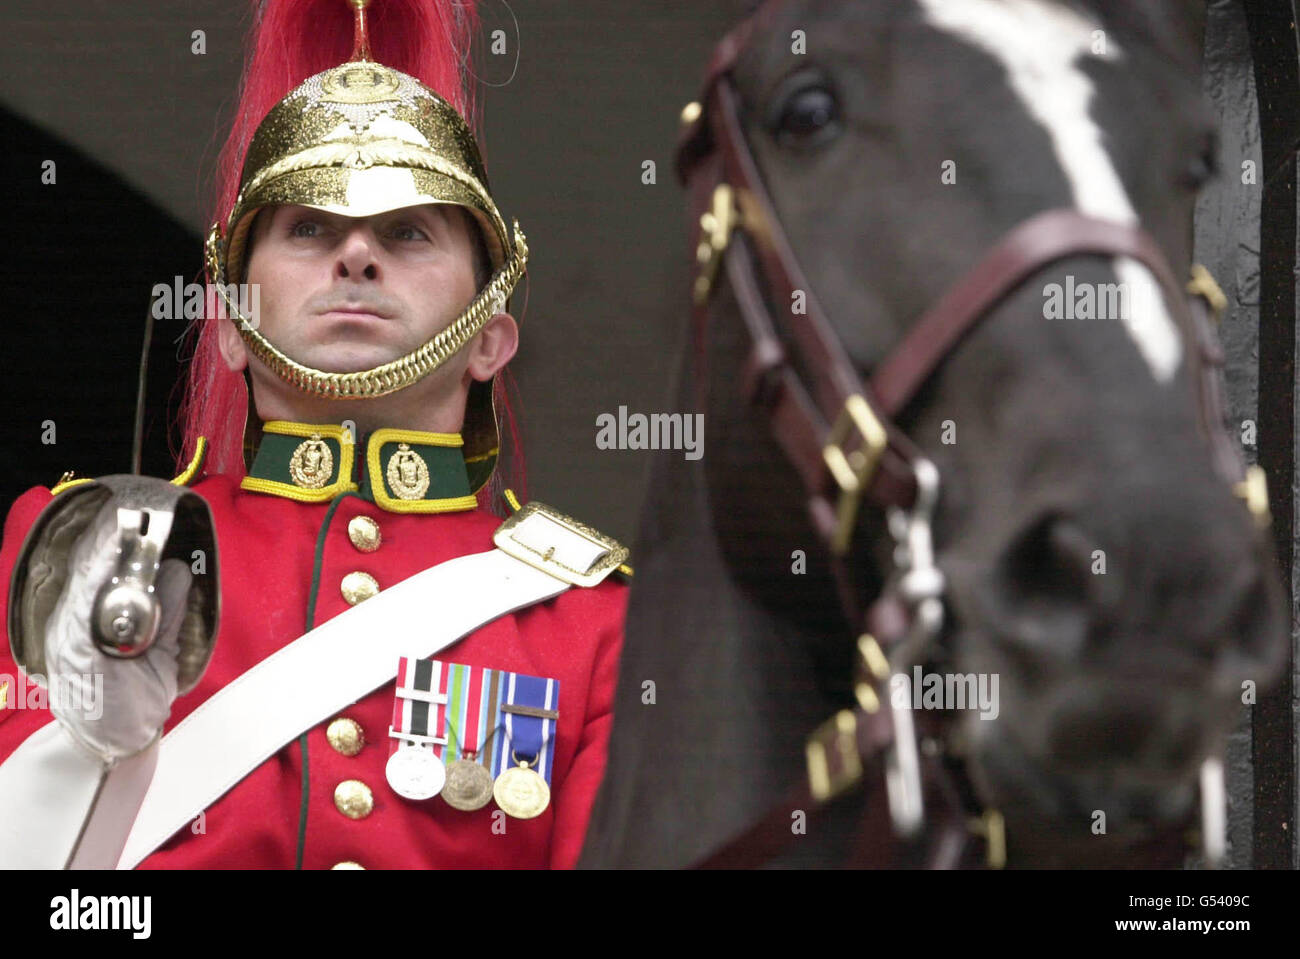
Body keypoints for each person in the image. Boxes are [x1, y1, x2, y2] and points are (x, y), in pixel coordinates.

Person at [0, 0, 628, 869]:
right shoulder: (79, 548)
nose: (357, 257)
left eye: (409, 230)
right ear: (227, 323)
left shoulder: (592, 622)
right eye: (308, 229)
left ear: (491, 335)